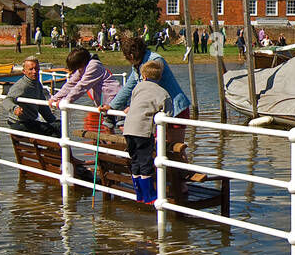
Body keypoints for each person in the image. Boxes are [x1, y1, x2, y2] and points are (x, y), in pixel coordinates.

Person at [105, 34, 192, 144]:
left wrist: (133, 107)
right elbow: (129, 86)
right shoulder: (138, 65)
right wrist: (112, 105)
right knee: (158, 147)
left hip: (175, 108)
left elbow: (149, 89)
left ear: (131, 55)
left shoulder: (154, 61)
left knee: (175, 149)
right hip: (159, 109)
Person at [122, 59, 172, 204]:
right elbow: (168, 114)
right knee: (145, 162)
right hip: (143, 131)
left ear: (143, 76)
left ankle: (139, 193)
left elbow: (134, 103)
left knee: (135, 161)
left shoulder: (138, 87)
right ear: (160, 77)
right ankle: (149, 195)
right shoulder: (163, 93)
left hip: (128, 129)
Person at [49, 47, 121, 133]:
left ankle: (129, 146)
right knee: (108, 126)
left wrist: (66, 100)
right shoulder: (83, 67)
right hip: (104, 103)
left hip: (115, 98)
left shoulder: (94, 66)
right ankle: (112, 146)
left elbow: (82, 86)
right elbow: (71, 83)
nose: (77, 70)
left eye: (77, 67)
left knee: (122, 125)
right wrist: (56, 97)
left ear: (82, 63)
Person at [0, 57, 56, 135]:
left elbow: (42, 107)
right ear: (24, 71)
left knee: (58, 126)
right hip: (19, 124)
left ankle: (53, 146)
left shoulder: (37, 84)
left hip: (30, 122)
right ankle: (55, 146)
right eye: (31, 69)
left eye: (36, 68)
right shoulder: (21, 86)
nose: (34, 71)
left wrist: (53, 120)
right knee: (54, 130)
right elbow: (7, 100)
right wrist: (15, 108)